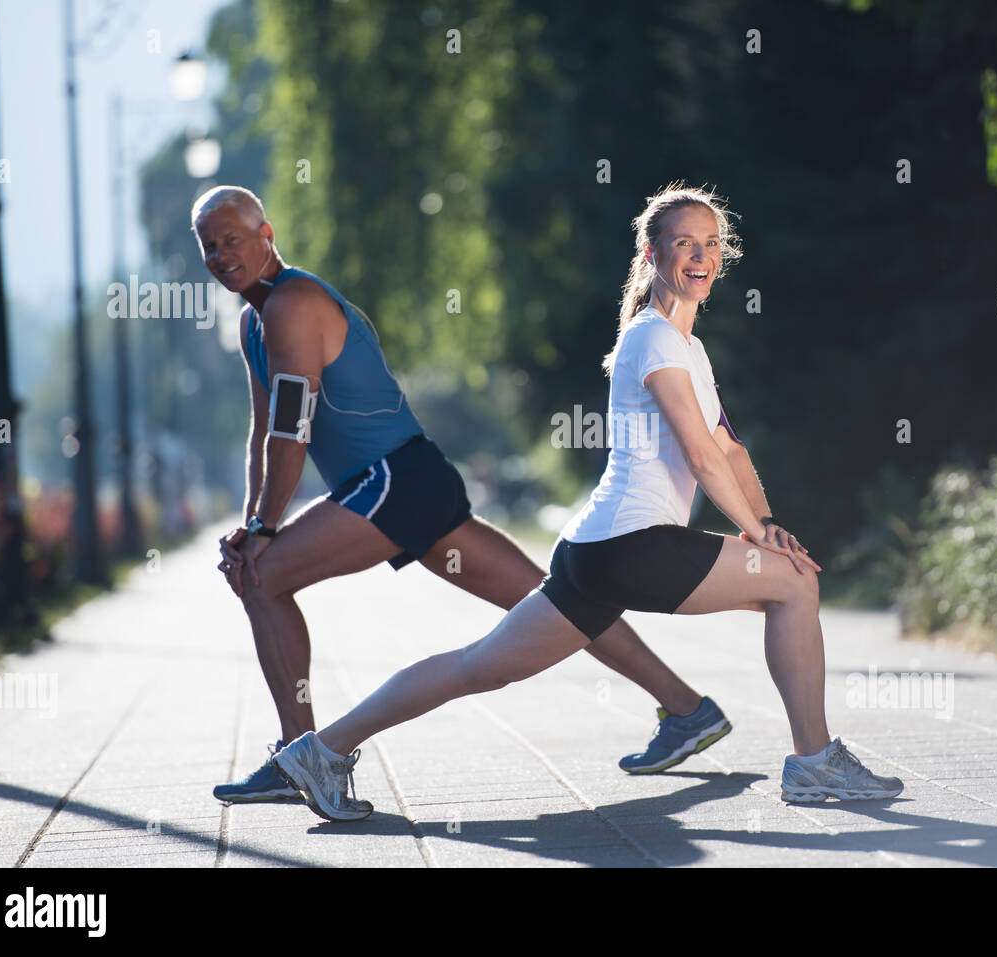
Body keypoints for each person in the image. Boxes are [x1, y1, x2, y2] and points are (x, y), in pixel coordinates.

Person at [270, 183, 904, 822]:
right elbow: (700, 457)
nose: (700, 256)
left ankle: (321, 749)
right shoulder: (653, 340)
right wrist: (759, 538)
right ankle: (814, 760)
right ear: (652, 253)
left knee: (479, 665)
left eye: (711, 244)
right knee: (794, 585)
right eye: (684, 243)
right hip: (634, 542)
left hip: (595, 551)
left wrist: (763, 522)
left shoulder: (687, 346)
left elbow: (732, 453)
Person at [192, 185, 734, 806]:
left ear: (266, 236)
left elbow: (292, 432)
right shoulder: (253, 321)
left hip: (393, 480)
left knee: (263, 578)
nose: (220, 254)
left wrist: (261, 534)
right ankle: (688, 708)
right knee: (559, 601)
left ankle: (302, 758)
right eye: (209, 245)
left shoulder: (293, 304)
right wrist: (249, 523)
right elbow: (263, 432)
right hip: (413, 482)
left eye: (232, 238)